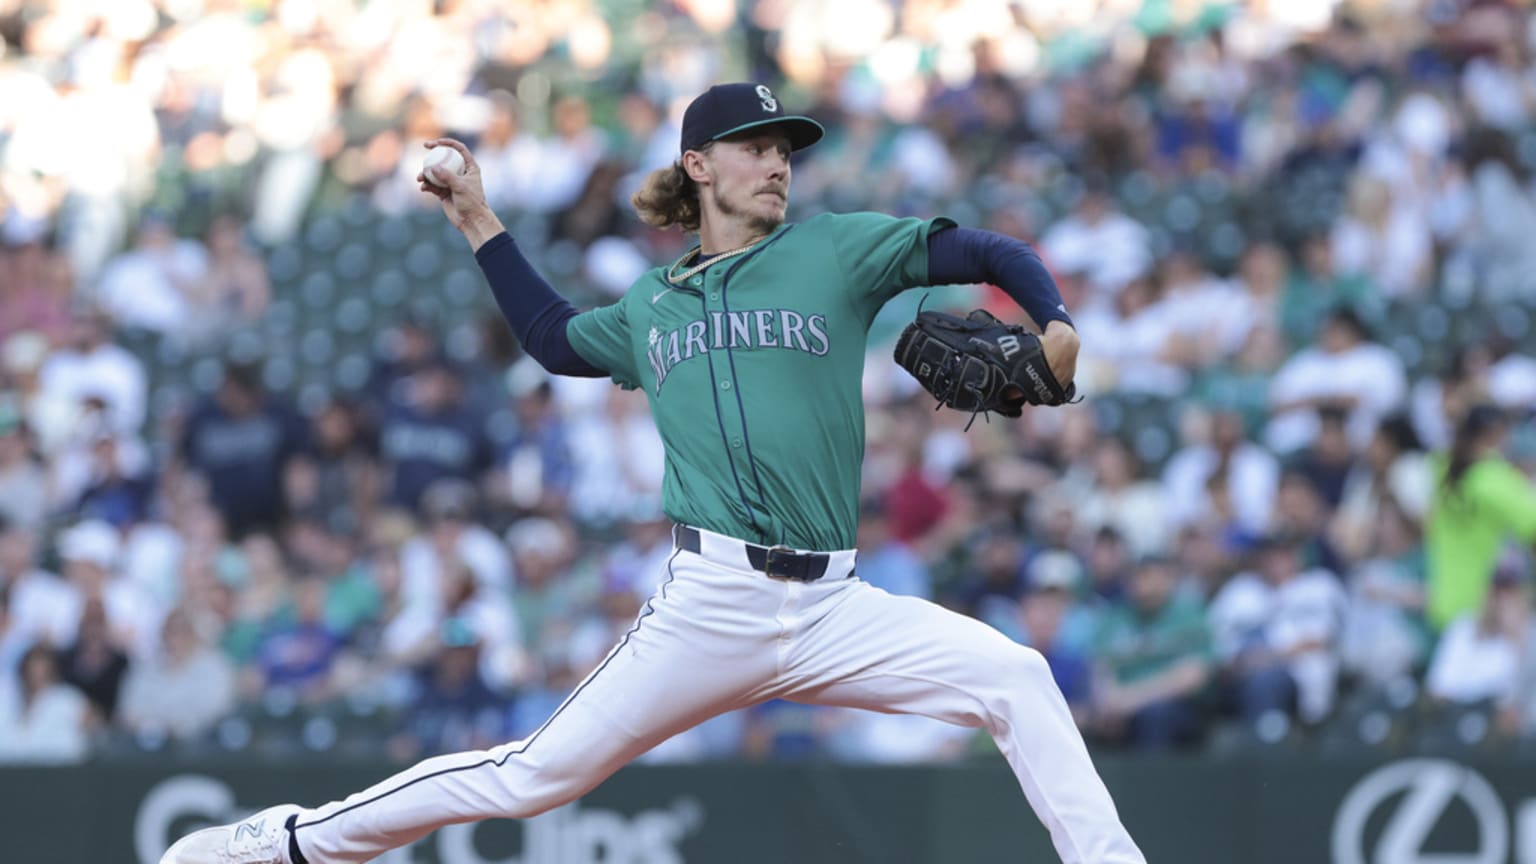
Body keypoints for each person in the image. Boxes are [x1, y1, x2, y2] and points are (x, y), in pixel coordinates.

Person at [163, 82, 1145, 864]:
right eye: (757, 147)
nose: (777, 165)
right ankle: (289, 842)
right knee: (529, 777)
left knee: (1016, 677)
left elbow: (983, 246)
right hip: (710, 600)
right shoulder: (649, 305)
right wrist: (477, 218)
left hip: (839, 604)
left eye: (785, 150)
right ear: (698, 165)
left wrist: (1055, 319)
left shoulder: (834, 250)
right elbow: (550, 338)